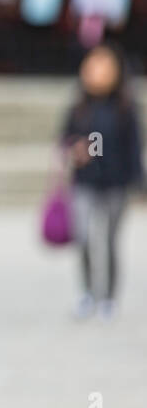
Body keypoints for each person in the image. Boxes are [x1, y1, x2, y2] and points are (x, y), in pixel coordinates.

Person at [61, 43, 143, 320]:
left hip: (115, 182)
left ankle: (108, 297)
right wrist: (75, 151)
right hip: (85, 181)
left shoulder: (125, 108)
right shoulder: (79, 107)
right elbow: (65, 139)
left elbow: (133, 147)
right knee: (83, 235)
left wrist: (138, 182)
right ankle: (87, 292)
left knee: (109, 240)